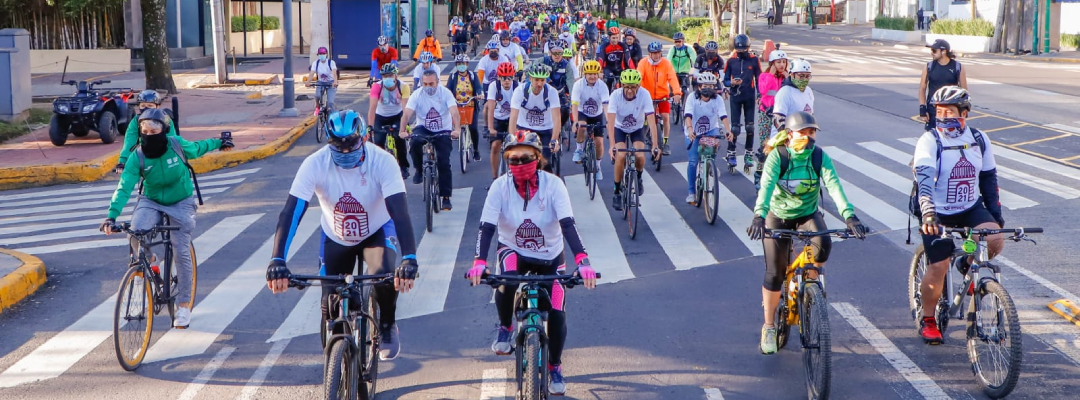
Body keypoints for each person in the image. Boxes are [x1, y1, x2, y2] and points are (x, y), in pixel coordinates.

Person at [265, 110, 418, 361]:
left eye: (352, 145)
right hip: (336, 237)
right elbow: (291, 212)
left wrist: (409, 257)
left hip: (376, 231)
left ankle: (388, 325)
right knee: (330, 305)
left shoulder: (383, 161)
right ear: (328, 143)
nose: (346, 152)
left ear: (365, 139)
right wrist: (277, 259)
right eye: (338, 146)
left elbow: (400, 213)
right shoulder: (314, 164)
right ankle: (342, 360)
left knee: (383, 277)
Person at [465, 130, 598, 396]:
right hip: (512, 249)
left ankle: (555, 366)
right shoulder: (499, 187)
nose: (518, 164)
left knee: (558, 313)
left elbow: (568, 225)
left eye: (525, 157)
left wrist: (583, 260)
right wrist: (479, 261)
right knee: (506, 281)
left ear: (538, 158)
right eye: (512, 159)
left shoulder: (554, 185)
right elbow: (486, 226)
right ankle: (505, 328)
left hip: (551, 256)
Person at [747, 111, 867, 355]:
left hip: (807, 214)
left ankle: (810, 291)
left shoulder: (819, 156)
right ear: (790, 134)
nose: (809, 137)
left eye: (812, 132)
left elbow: (834, 186)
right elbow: (766, 187)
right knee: (775, 272)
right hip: (778, 216)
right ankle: (769, 326)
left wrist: (849, 215)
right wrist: (759, 216)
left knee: (823, 245)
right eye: (804, 132)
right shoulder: (778, 157)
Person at [100, 109, 234, 329]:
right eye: (145, 131)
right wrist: (111, 216)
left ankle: (183, 306)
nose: (150, 134)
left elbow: (199, 148)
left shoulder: (177, 145)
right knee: (135, 231)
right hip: (150, 199)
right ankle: (151, 262)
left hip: (181, 201)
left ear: (165, 130)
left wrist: (220, 142)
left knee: (181, 251)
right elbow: (124, 186)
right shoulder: (138, 156)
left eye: (155, 130)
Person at [912, 86, 1002, 345]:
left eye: (949, 111)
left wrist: (996, 216)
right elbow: (925, 180)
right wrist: (929, 214)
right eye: (938, 112)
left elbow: (988, 179)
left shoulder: (979, 138)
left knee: (994, 238)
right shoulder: (930, 140)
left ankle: (966, 263)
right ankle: (928, 318)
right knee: (939, 265)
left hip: (969, 206)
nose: (942, 117)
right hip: (936, 211)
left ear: (964, 113)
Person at [401, 70, 461, 210]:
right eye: (425, 83)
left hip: (443, 130)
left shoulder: (445, 93)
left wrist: (456, 129)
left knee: (444, 162)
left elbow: (454, 112)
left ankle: (445, 197)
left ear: (437, 82)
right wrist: (402, 130)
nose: (428, 86)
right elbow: (407, 114)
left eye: (431, 83)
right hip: (423, 127)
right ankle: (419, 170)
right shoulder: (417, 94)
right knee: (414, 142)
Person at [606, 69, 659, 211]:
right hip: (619, 128)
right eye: (627, 87)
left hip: (637, 128)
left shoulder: (645, 94)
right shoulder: (615, 96)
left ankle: (639, 177)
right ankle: (617, 191)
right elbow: (610, 123)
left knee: (640, 155)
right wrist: (612, 146)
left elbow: (652, 121)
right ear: (621, 85)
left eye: (633, 87)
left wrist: (655, 144)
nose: (630, 90)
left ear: (638, 86)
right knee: (621, 155)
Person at [682, 72, 730, 204]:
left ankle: (710, 165)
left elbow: (723, 116)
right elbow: (688, 115)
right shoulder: (692, 98)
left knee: (713, 148)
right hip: (693, 131)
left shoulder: (718, 99)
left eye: (711, 86)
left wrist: (728, 130)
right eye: (705, 86)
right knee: (693, 161)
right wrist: (690, 129)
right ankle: (691, 192)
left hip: (711, 129)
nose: (708, 88)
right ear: (699, 87)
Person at [509, 64, 563, 171]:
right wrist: (512, 138)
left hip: (545, 129)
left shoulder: (551, 92)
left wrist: (554, 140)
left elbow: (557, 119)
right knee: (520, 159)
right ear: (530, 79)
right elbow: (513, 117)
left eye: (542, 80)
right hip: (525, 128)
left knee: (545, 161)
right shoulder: (520, 91)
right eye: (536, 80)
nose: (539, 83)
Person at [722, 34, 762, 172]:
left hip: (749, 96)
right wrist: (731, 83)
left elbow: (759, 79)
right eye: (739, 50)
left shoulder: (754, 60)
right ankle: (731, 152)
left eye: (744, 49)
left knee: (750, 127)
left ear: (748, 48)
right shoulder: (731, 61)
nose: (741, 52)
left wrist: (760, 94)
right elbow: (725, 79)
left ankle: (748, 154)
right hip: (735, 97)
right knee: (735, 129)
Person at [637, 42, 682, 156]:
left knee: (666, 117)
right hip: (648, 97)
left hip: (663, 96)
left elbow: (672, 78)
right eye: (654, 53)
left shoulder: (666, 63)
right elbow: (639, 77)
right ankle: (645, 136)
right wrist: (637, 92)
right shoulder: (643, 63)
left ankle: (665, 142)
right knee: (645, 119)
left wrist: (676, 92)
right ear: (649, 54)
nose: (657, 56)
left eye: (658, 53)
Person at [116, 90, 178, 173]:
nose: (146, 108)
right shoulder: (136, 121)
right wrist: (122, 161)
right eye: (143, 105)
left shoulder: (165, 118)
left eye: (150, 105)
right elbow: (129, 142)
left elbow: (172, 140)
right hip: (146, 154)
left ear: (157, 106)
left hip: (165, 154)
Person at [368, 63, 412, 179]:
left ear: (396, 76)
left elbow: (405, 108)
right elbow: (372, 108)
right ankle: (380, 168)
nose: (387, 78)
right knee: (378, 141)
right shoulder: (377, 87)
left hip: (397, 116)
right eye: (385, 76)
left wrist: (405, 125)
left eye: (390, 75)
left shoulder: (403, 87)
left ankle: (403, 166)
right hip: (380, 116)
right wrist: (370, 126)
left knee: (399, 139)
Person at [754, 50, 789, 189]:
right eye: (778, 62)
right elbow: (763, 90)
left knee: (782, 145)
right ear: (772, 64)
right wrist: (771, 75)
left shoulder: (787, 77)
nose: (781, 65)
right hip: (766, 114)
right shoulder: (764, 76)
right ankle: (759, 178)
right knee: (765, 145)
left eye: (784, 62)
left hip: (781, 115)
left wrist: (788, 79)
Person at [571, 60, 609, 180]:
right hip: (582, 112)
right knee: (581, 126)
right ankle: (579, 150)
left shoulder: (602, 86)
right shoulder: (578, 85)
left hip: (597, 114)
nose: (592, 76)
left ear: (598, 74)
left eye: (595, 74)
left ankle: (597, 167)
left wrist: (608, 121)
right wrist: (575, 121)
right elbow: (575, 105)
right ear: (584, 74)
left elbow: (606, 106)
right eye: (589, 74)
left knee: (599, 143)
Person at [918, 39, 967, 131]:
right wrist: (922, 108)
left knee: (950, 138)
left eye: (934, 51)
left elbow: (964, 90)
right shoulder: (929, 67)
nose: (932, 53)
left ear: (944, 52)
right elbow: (922, 88)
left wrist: (964, 109)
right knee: (933, 139)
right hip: (933, 110)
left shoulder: (958, 67)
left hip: (951, 112)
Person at [485, 62, 519, 184]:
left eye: (509, 78)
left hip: (512, 119)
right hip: (498, 118)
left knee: (516, 146)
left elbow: (520, 109)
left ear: (513, 77)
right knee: (495, 146)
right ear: (499, 77)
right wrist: (490, 128)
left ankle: (516, 174)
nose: (507, 81)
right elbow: (490, 108)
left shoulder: (517, 87)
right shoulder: (494, 86)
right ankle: (494, 178)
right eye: (504, 78)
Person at [447, 54, 484, 162]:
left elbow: (478, 87)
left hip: (471, 105)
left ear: (467, 64)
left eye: (463, 64)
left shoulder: (473, 75)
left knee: (473, 128)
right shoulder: (453, 76)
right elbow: (448, 89)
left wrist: (479, 94)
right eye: (459, 64)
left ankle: (476, 150)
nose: (461, 66)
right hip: (457, 106)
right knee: (453, 127)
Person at [770, 59, 814, 141]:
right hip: (784, 140)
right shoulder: (785, 92)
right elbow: (778, 119)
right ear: (792, 74)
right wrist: (788, 139)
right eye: (801, 76)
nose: (804, 79)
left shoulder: (808, 91)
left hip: (802, 139)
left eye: (807, 76)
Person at [541, 44, 576, 135]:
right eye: (554, 53)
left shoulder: (566, 65)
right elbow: (531, 69)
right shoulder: (544, 60)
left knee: (566, 110)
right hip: (545, 92)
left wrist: (573, 97)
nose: (557, 55)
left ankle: (559, 126)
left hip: (560, 92)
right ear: (550, 53)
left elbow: (570, 81)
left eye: (560, 53)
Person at [667, 32, 697, 98]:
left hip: (685, 73)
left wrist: (697, 67)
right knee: (671, 89)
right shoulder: (673, 50)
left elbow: (694, 59)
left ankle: (684, 102)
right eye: (675, 41)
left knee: (685, 89)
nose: (677, 43)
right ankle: (672, 101)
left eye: (679, 41)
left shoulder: (688, 49)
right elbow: (668, 60)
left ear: (683, 41)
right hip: (674, 73)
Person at [309, 46, 339, 110]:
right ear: (318, 55)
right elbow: (312, 73)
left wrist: (335, 82)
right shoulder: (315, 63)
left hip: (331, 83)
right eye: (320, 54)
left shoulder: (331, 62)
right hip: (320, 83)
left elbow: (334, 72)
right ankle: (317, 104)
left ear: (326, 54)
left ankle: (331, 116)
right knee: (317, 96)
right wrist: (308, 82)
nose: (322, 55)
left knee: (330, 103)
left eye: (323, 54)